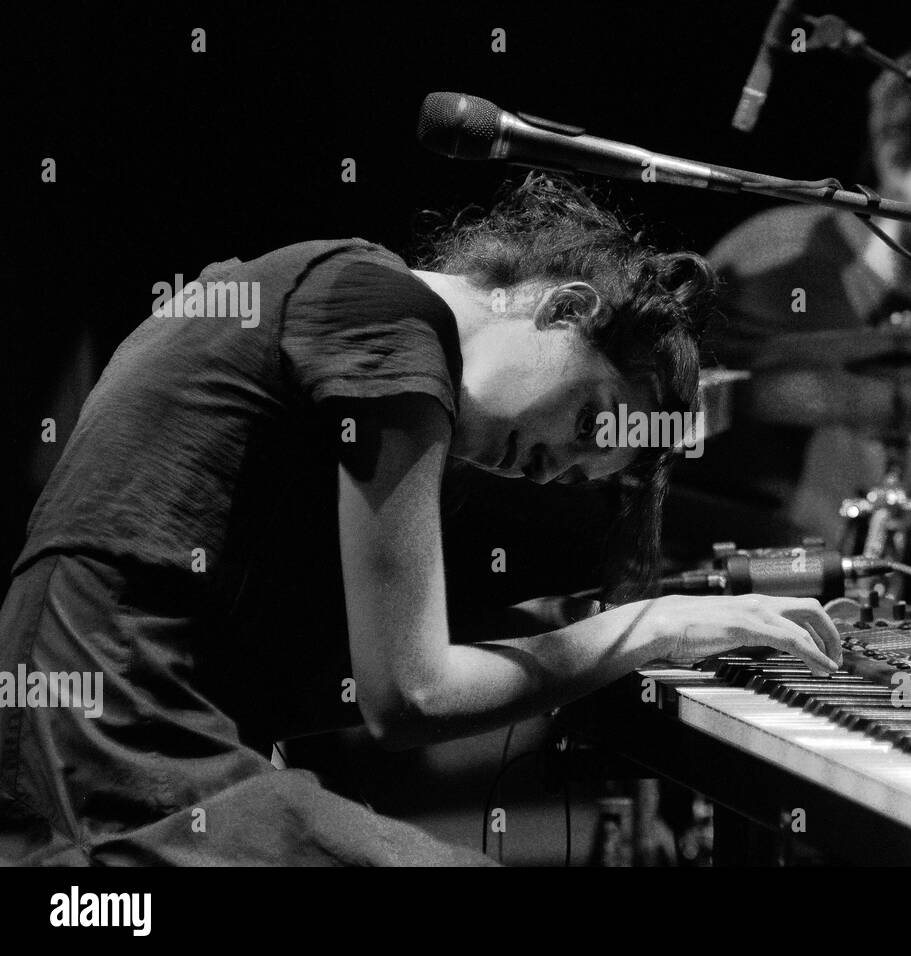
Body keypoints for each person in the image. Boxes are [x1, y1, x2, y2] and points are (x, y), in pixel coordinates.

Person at [0, 173, 842, 866]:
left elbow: (314, 670)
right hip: (123, 777)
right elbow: (411, 697)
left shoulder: (323, 292)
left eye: (589, 472)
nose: (560, 468)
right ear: (566, 309)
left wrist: (605, 623)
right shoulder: (387, 321)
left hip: (83, 757)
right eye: (589, 423)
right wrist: (649, 626)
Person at [676, 41, 911, 596]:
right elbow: (853, 399)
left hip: (847, 602)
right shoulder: (788, 256)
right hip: (710, 590)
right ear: (896, 153)